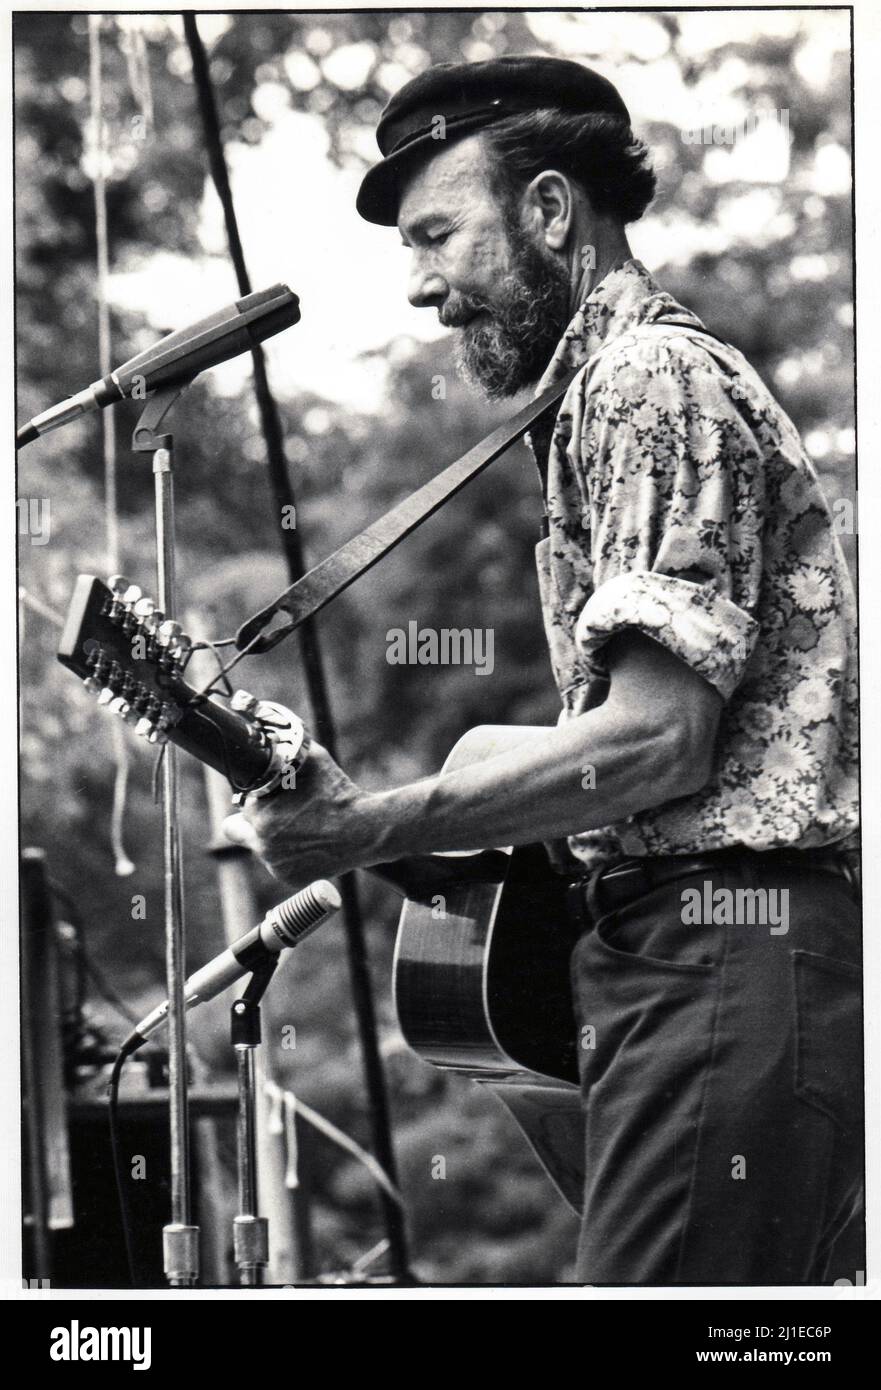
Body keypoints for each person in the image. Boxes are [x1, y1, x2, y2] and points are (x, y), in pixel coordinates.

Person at [224, 55, 862, 1285]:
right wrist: (420, 815)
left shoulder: (646, 378)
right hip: (691, 959)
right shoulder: (595, 404)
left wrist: (365, 825)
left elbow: (652, 744)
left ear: (551, 210)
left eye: (437, 235)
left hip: (725, 953)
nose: (421, 287)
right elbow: (670, 753)